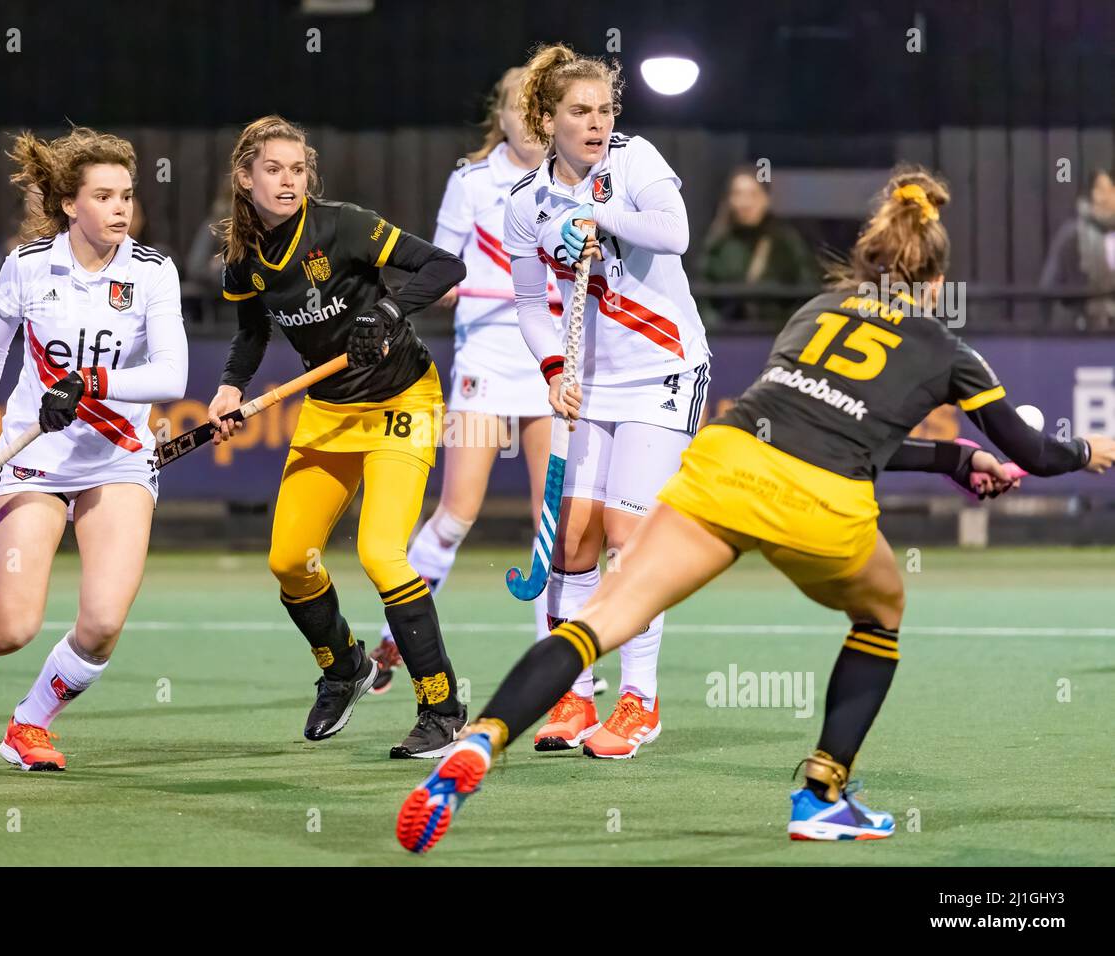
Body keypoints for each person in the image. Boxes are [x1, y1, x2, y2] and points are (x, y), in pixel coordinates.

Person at [398, 167, 1115, 851]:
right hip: (819, 503)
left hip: (724, 467)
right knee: (882, 611)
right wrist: (1092, 451)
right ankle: (822, 797)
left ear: (869, 258)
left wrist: (955, 459)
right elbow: (1036, 451)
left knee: (600, 619)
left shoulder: (815, 310)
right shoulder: (946, 348)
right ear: (935, 281)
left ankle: (481, 740)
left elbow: (817, 421)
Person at [0, 127, 189, 771]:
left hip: (119, 460)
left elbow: (173, 376)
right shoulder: (28, 266)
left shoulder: (152, 272)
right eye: (105, 196)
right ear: (69, 204)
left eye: (127, 196)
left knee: (103, 622)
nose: (120, 209)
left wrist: (90, 382)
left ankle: (28, 724)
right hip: (33, 459)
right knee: (12, 627)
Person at [206, 116, 468, 758]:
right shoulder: (242, 260)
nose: (288, 180)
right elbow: (252, 332)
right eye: (273, 169)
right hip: (329, 412)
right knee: (289, 561)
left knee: (382, 553)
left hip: (403, 398)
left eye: (297, 169)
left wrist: (386, 310)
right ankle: (345, 667)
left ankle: (442, 709)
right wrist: (231, 388)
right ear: (245, 178)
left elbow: (445, 265)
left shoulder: (341, 225)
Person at [498, 43, 712, 759]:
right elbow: (531, 304)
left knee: (629, 539)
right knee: (573, 538)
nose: (596, 124)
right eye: (580, 112)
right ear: (547, 119)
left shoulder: (634, 161)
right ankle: (572, 695)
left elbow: (675, 233)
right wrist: (554, 365)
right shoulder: (524, 204)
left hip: (664, 373)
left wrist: (601, 216)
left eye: (605, 110)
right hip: (589, 381)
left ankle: (639, 702)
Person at [368, 67, 567, 697]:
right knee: (456, 512)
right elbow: (442, 264)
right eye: (518, 108)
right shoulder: (473, 181)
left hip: (554, 358)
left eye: (540, 109)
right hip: (486, 354)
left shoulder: (582, 183)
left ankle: (557, 670)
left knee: (551, 521)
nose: (530, 121)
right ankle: (397, 637)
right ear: (501, 118)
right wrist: (447, 287)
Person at [697, 164, 818, 327]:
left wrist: (788, 328)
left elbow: (807, 289)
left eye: (753, 194)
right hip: (727, 338)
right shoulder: (718, 243)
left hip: (776, 336)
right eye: (738, 194)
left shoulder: (786, 241)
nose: (745, 203)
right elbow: (703, 298)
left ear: (766, 199)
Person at [1040, 168, 1115, 330]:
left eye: (1111, 190)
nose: (1105, 197)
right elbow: (1050, 286)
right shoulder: (1072, 235)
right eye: (1100, 189)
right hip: (1083, 334)